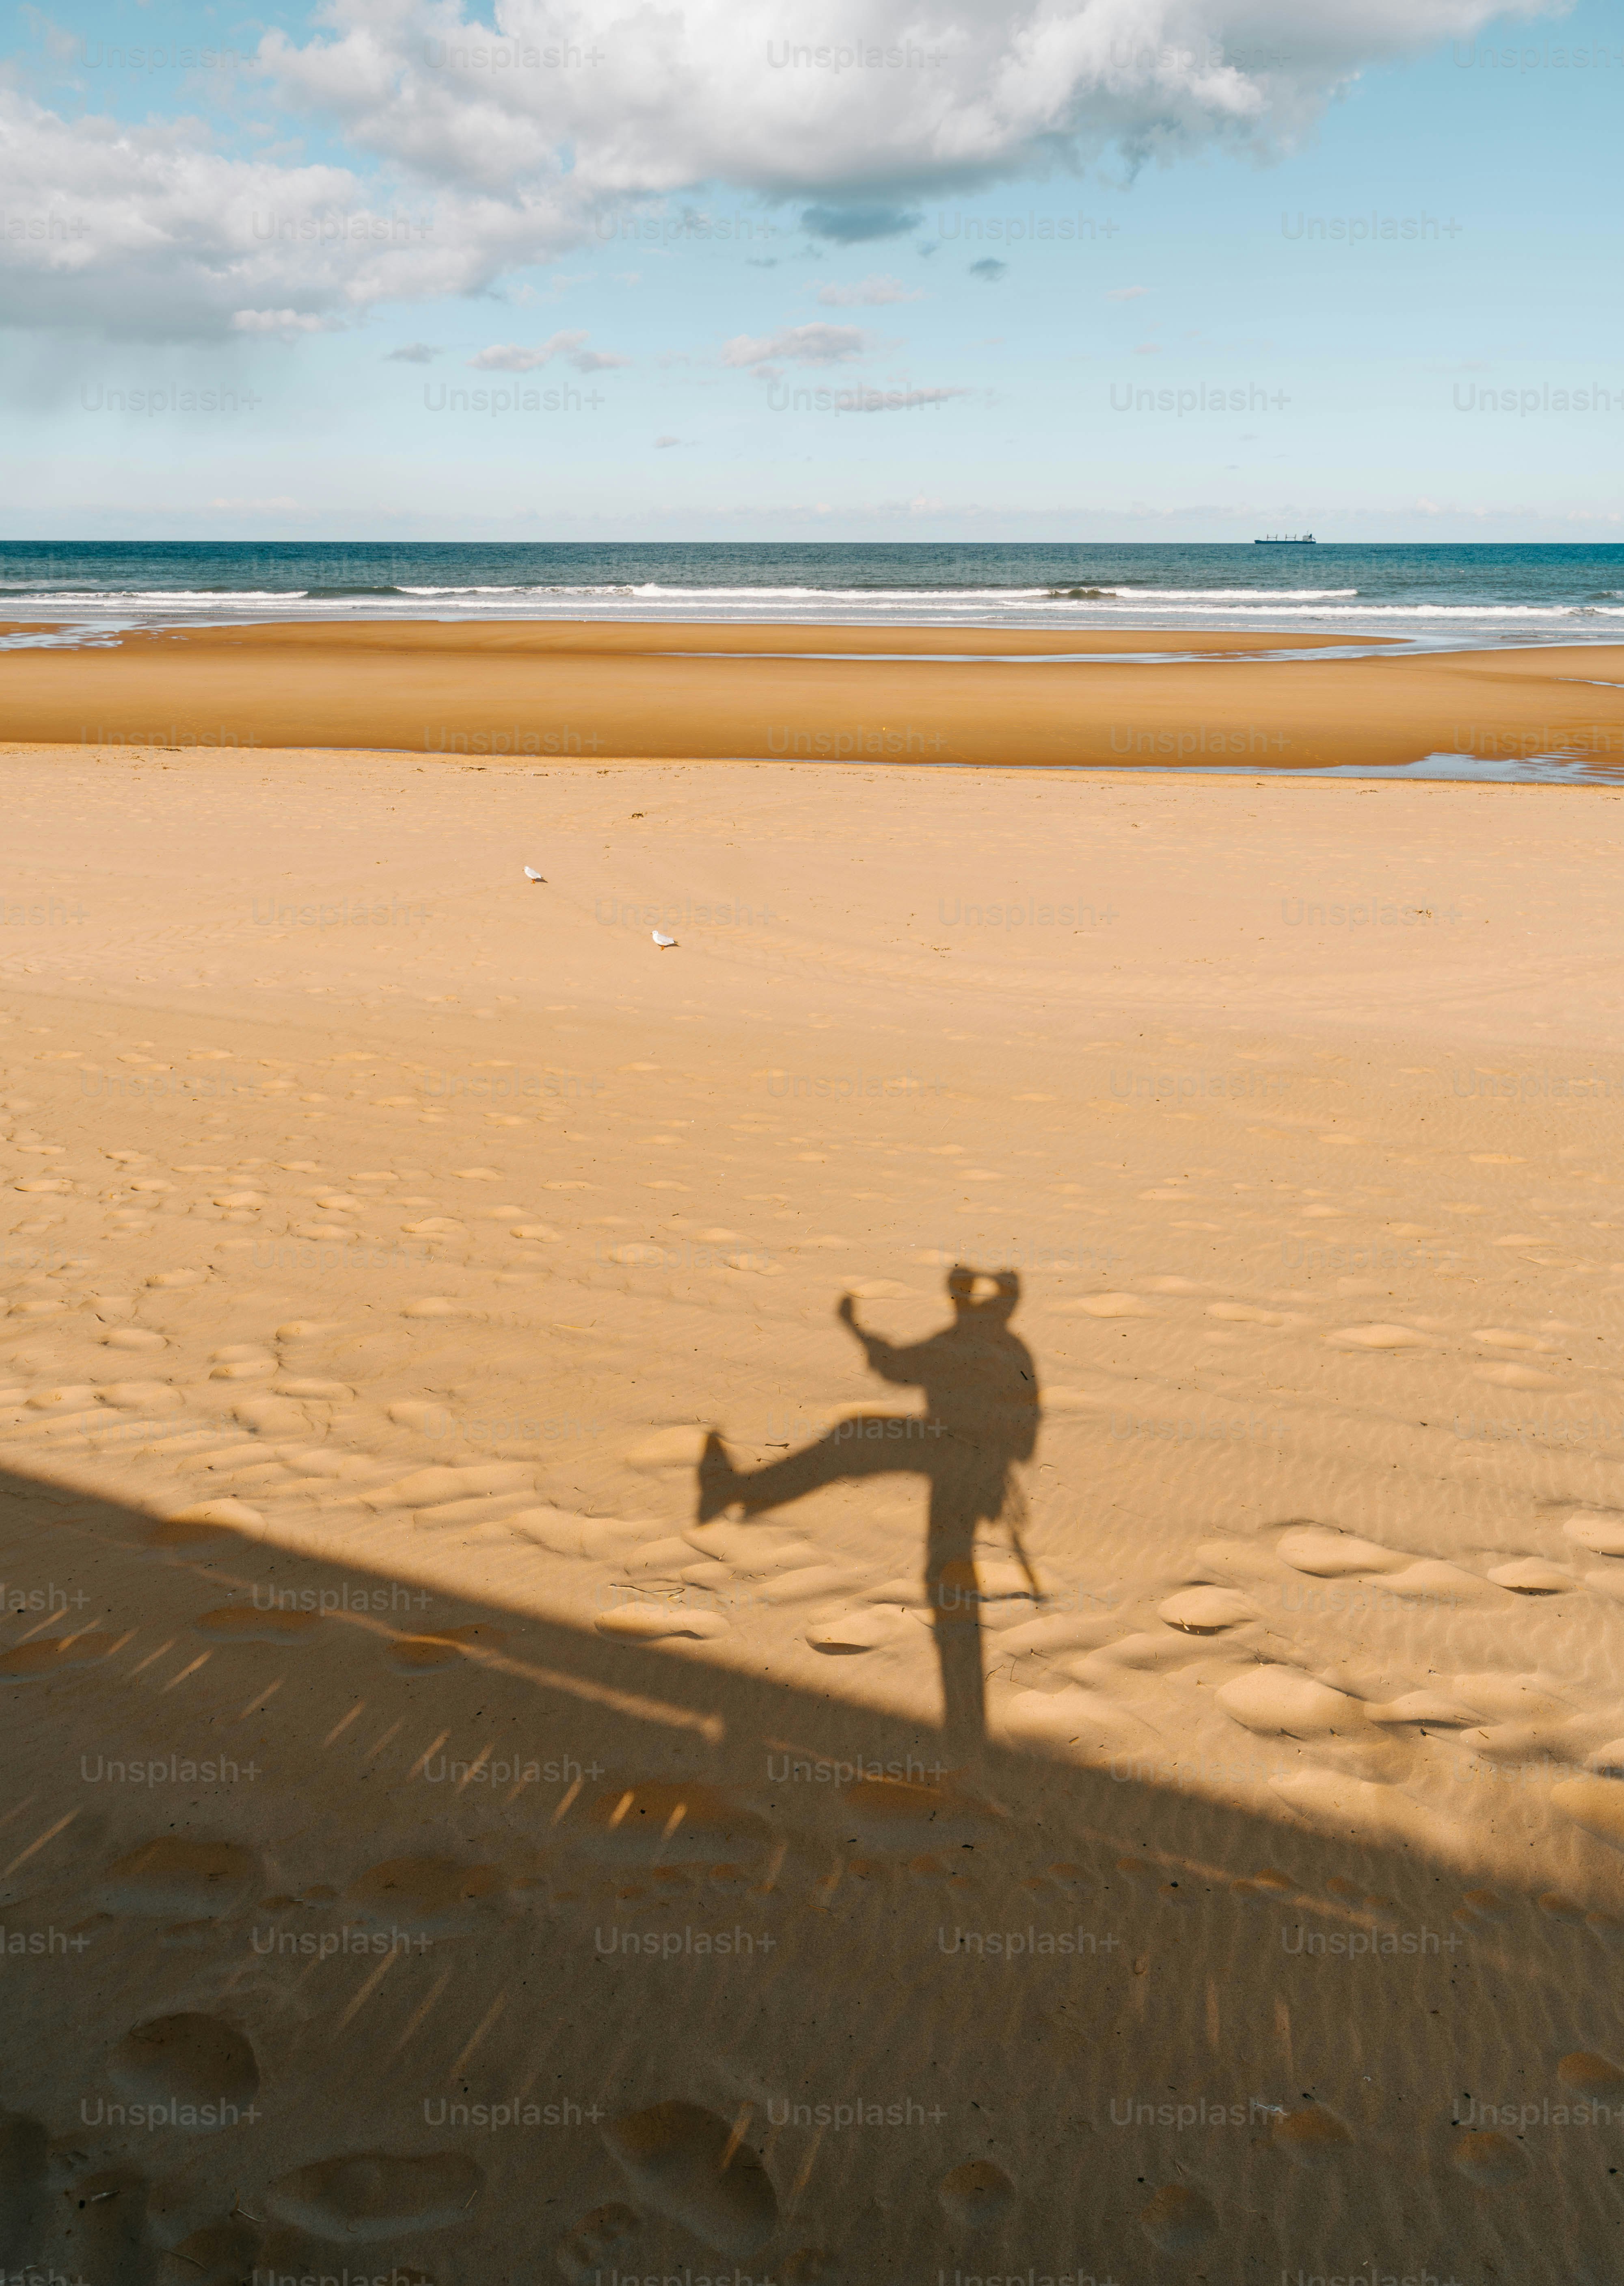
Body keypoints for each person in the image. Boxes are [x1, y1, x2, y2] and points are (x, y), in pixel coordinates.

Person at [696, 1266, 1041, 1749]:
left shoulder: (958, 1342)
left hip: (955, 1459)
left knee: (946, 1576)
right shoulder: (1010, 1348)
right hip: (968, 1462)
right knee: (944, 1568)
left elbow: (893, 1366)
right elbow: (1019, 1435)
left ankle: (967, 1739)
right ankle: (966, 1735)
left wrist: (853, 1327)